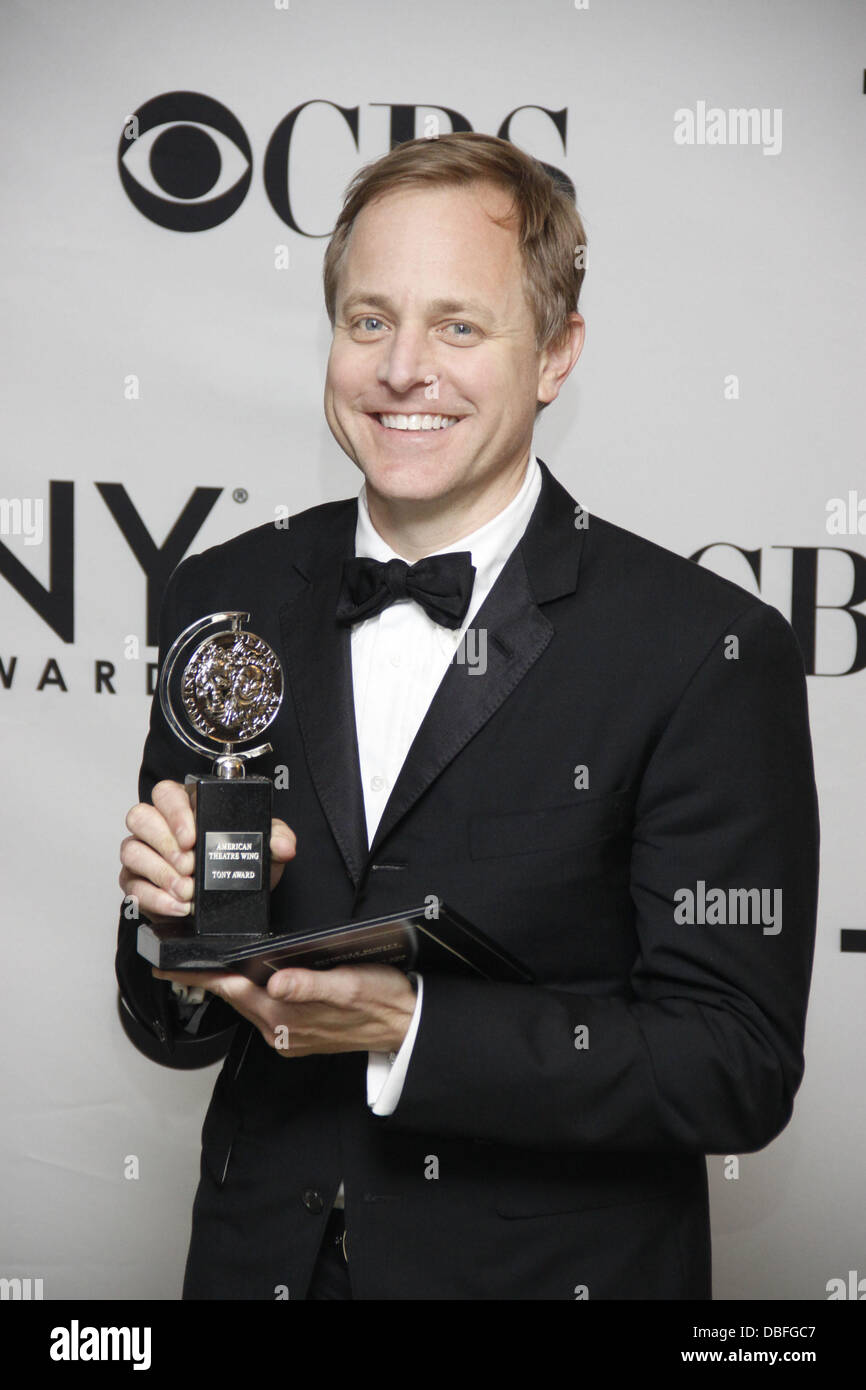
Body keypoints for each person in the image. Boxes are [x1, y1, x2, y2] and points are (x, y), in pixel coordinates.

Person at [116, 131, 820, 1301]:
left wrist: (408, 1026)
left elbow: (731, 1065)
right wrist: (171, 937)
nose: (402, 369)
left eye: (457, 325)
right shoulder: (223, 596)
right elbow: (172, 1018)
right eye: (368, 320)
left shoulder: (702, 647)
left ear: (553, 354)